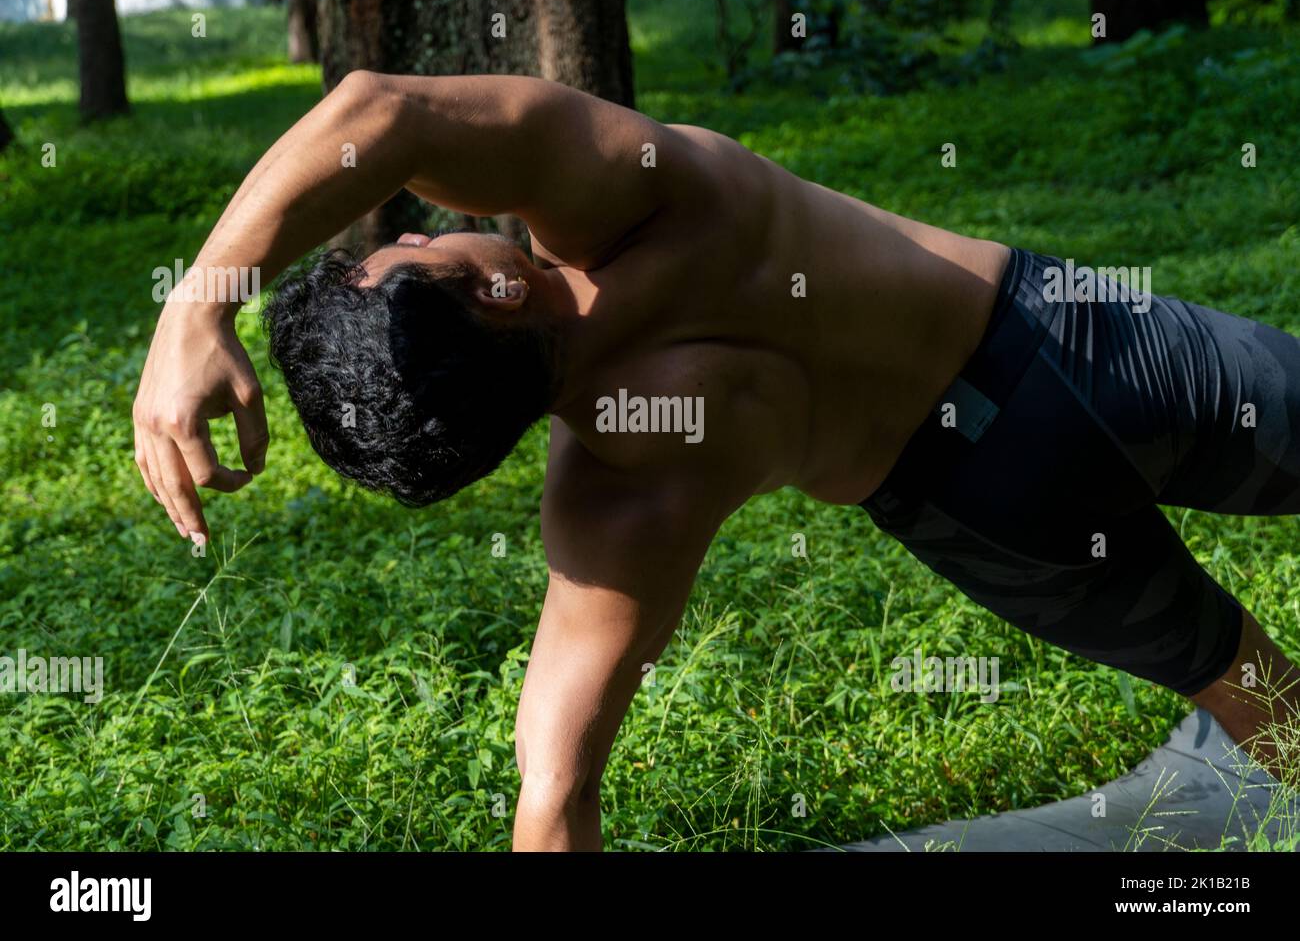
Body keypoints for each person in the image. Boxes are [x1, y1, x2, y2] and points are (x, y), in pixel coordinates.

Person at [133, 71, 1300, 850]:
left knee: (1250, 684)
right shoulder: (630, 195)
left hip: (979, 495)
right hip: (1056, 332)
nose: (419, 225)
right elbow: (383, 110)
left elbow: (554, 791)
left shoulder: (617, 495)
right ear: (491, 289)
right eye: (415, 246)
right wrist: (199, 306)